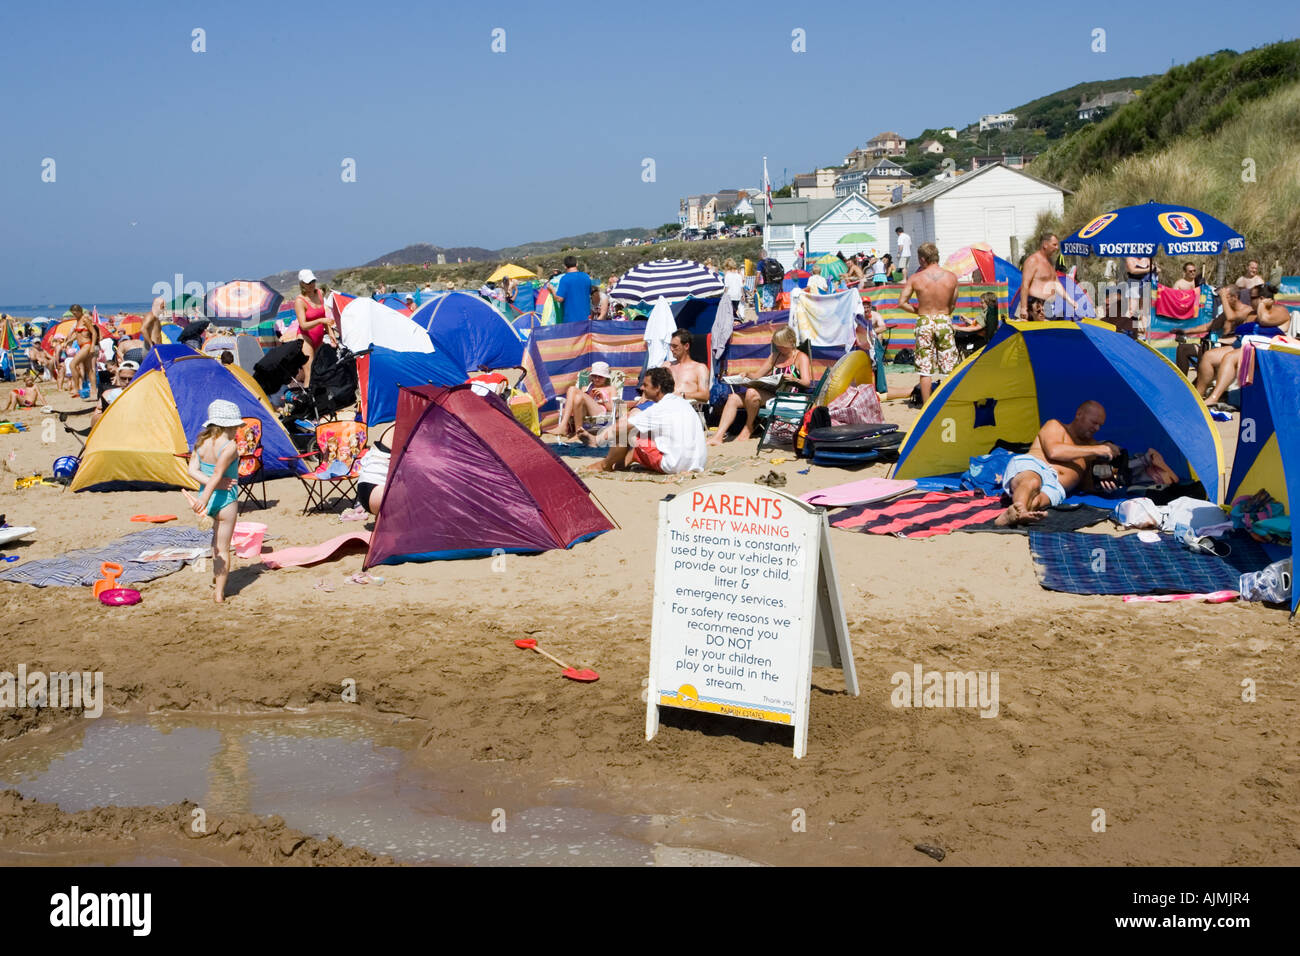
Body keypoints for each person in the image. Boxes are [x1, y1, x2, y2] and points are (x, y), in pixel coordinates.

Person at [996, 400, 1122, 526]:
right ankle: (1020, 510)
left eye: (1100, 425)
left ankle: (1015, 515)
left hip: (1057, 486)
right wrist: (1098, 449)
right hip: (1036, 466)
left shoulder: (1091, 448)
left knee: (1038, 501)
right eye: (1094, 422)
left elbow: (1084, 485)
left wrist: (1102, 485)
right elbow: (1054, 451)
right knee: (1032, 483)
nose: (1097, 428)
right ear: (1079, 414)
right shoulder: (1056, 426)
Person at [589, 366, 706, 474]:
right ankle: (621, 463)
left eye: (645, 385)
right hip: (698, 463)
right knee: (641, 432)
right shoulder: (683, 403)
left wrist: (597, 440)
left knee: (626, 433)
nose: (641, 388)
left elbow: (620, 428)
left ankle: (605, 465)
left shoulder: (659, 409)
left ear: (657, 388)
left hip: (676, 466)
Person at [709, 326, 812, 444]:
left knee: (752, 393)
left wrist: (794, 379)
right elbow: (757, 376)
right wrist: (747, 375)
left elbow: (807, 382)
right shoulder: (775, 356)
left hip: (787, 397)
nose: (779, 348)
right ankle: (718, 436)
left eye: (782, 345)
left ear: (791, 342)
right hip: (771, 395)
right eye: (777, 345)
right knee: (733, 398)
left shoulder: (800, 357)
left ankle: (748, 427)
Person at [186, 399, 243, 603]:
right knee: (223, 548)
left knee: (214, 545)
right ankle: (219, 593)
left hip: (208, 502)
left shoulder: (201, 442)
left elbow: (192, 470)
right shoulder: (230, 446)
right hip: (225, 500)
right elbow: (219, 473)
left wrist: (206, 491)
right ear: (230, 424)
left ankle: (215, 578)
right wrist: (207, 493)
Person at [897, 242, 957, 404]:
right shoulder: (951, 277)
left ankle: (926, 406)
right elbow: (952, 304)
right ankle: (948, 402)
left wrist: (919, 311)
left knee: (925, 369)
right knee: (948, 365)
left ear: (923, 259)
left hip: (925, 320)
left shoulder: (916, 278)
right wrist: (944, 312)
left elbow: (902, 302)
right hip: (943, 319)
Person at [548, 360, 616, 438]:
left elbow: (612, 409)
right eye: (594, 376)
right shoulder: (586, 388)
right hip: (584, 412)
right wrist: (590, 396)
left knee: (572, 389)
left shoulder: (610, 388)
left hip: (600, 411)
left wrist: (603, 398)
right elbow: (579, 403)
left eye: (600, 377)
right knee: (577, 398)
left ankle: (563, 425)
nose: (597, 379)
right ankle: (578, 433)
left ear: (606, 377)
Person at [293, 269, 335, 386]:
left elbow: (324, 317)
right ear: (302, 283)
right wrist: (321, 321)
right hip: (306, 338)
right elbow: (303, 325)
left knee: (322, 370)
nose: (311, 285)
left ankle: (320, 398)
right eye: (308, 283)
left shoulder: (320, 294)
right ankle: (308, 400)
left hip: (319, 337)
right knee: (310, 372)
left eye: (313, 281)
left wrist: (331, 335)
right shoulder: (299, 301)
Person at [1018, 233, 1073, 319]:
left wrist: (1070, 301)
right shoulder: (1032, 261)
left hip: (1051, 305)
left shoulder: (1050, 261)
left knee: (1058, 330)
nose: (1057, 248)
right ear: (1045, 245)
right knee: (1040, 332)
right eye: (1054, 245)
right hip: (1037, 306)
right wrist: (1023, 308)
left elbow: (1056, 283)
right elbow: (1025, 285)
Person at [663, 329, 710, 402]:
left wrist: (682, 395)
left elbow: (705, 395)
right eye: (671, 346)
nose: (671, 349)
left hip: (686, 407)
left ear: (686, 346)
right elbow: (653, 387)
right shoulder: (666, 366)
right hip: (665, 407)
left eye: (675, 346)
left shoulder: (699, 368)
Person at [68, 305, 99, 397]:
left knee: (72, 365)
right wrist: (69, 341)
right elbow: (78, 334)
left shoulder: (85, 319)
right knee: (89, 369)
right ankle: (94, 390)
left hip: (87, 345)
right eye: (73, 312)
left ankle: (77, 388)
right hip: (82, 346)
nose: (74, 314)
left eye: (76, 312)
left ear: (80, 311)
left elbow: (94, 332)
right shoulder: (77, 321)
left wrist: (93, 345)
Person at [553, 255, 593, 323]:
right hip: (586, 316)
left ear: (565, 266)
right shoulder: (586, 277)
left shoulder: (565, 278)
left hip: (571, 319)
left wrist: (552, 290)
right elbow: (590, 293)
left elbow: (559, 299)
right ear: (577, 264)